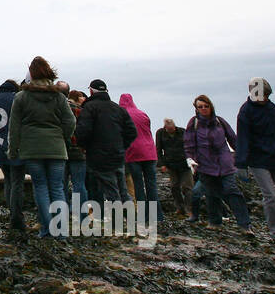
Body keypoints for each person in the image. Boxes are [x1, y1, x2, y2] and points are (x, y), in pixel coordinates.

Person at [9, 58, 76, 238]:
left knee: (41, 187)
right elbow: (70, 122)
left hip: (32, 149)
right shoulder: (59, 97)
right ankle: (60, 231)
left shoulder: (21, 97)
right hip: (56, 148)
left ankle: (47, 229)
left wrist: (13, 150)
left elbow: (14, 128)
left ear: (31, 74)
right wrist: (62, 137)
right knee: (57, 188)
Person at [236, 78, 275, 246]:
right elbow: (242, 139)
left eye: (267, 95)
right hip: (258, 161)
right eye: (263, 94)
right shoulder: (245, 111)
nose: (265, 98)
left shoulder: (272, 108)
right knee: (270, 195)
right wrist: (241, 164)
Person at [183, 94, 252, 235]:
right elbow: (189, 143)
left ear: (211, 106)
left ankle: (245, 225)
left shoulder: (220, 121)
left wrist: (243, 157)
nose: (203, 109)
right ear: (196, 108)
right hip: (205, 164)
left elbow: (233, 139)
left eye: (206, 106)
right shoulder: (193, 123)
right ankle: (215, 222)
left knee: (232, 190)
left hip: (225, 163)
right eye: (200, 107)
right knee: (211, 194)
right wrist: (190, 159)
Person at [74, 79, 136, 212]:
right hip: (118, 153)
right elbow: (132, 132)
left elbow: (83, 131)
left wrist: (84, 146)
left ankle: (116, 221)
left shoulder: (89, 108)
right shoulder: (118, 109)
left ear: (91, 91)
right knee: (122, 188)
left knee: (109, 189)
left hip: (98, 155)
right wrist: (122, 146)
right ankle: (129, 218)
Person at [0, 80, 25, 230]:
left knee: (8, 181)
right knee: (17, 183)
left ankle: (11, 212)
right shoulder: (19, 98)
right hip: (17, 147)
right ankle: (16, 217)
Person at [119, 94, 162, 224]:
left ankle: (143, 216)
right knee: (152, 185)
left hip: (133, 153)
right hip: (149, 152)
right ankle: (157, 216)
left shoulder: (122, 115)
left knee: (138, 185)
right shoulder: (142, 113)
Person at [155, 119, 191, 216]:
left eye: (173, 129)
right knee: (174, 186)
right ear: (165, 128)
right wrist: (162, 164)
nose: (172, 130)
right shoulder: (160, 133)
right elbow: (158, 149)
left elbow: (189, 146)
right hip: (171, 164)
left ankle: (189, 209)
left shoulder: (182, 132)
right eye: (169, 129)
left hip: (184, 164)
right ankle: (180, 207)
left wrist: (191, 160)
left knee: (187, 187)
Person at [64, 91, 89, 212]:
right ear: (77, 98)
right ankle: (81, 211)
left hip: (63, 151)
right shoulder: (82, 112)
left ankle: (63, 210)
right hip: (78, 151)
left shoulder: (61, 110)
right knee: (79, 184)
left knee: (61, 185)